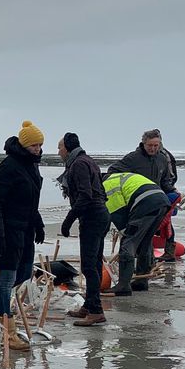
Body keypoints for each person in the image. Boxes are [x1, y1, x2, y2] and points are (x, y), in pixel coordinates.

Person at [0, 121, 45, 350]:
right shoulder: (9, 166)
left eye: (40, 145)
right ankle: (7, 330)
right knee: (6, 280)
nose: (38, 149)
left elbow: (31, 201)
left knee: (23, 274)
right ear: (24, 145)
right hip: (9, 230)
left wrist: (39, 224)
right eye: (34, 145)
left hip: (26, 229)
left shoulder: (32, 166)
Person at [57, 133, 110, 326]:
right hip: (101, 214)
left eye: (60, 147)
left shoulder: (78, 164)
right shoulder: (87, 160)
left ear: (68, 148)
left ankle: (96, 311)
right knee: (94, 263)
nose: (58, 151)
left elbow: (86, 195)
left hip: (93, 216)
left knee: (89, 265)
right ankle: (88, 305)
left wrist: (68, 220)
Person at [110, 129, 182, 261]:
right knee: (135, 228)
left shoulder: (162, 159)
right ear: (143, 143)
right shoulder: (132, 158)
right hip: (137, 201)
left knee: (166, 224)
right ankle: (128, 255)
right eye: (150, 145)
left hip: (156, 198)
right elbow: (113, 172)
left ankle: (169, 253)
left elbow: (165, 181)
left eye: (156, 145)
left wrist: (174, 192)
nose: (153, 148)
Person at [102, 169, 171, 296]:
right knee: (145, 241)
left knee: (129, 242)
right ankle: (141, 281)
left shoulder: (106, 187)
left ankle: (123, 285)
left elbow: (119, 217)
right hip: (162, 201)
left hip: (146, 203)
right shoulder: (118, 178)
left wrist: (127, 236)